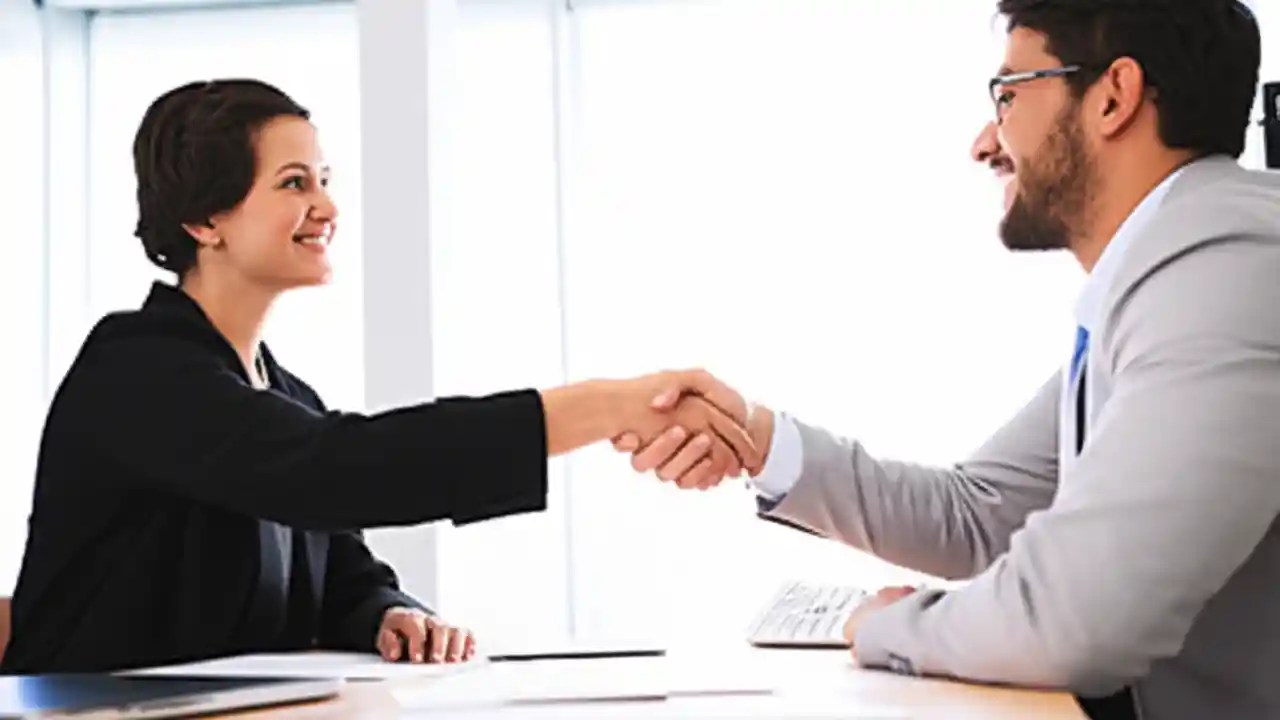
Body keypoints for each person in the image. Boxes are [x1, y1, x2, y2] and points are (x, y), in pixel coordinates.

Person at [618, 1, 1278, 718]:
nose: (985, 142)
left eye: (1009, 94)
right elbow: (980, 514)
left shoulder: (1227, 273)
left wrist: (885, 628)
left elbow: (1075, 622)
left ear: (1113, 98)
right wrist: (752, 436)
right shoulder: (1169, 279)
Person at [1, 79, 760, 675]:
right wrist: (602, 407)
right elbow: (336, 470)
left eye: (324, 178)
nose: (327, 206)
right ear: (205, 221)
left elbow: (344, 575)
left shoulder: (283, 394)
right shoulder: (136, 369)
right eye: (294, 183)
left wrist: (388, 615)